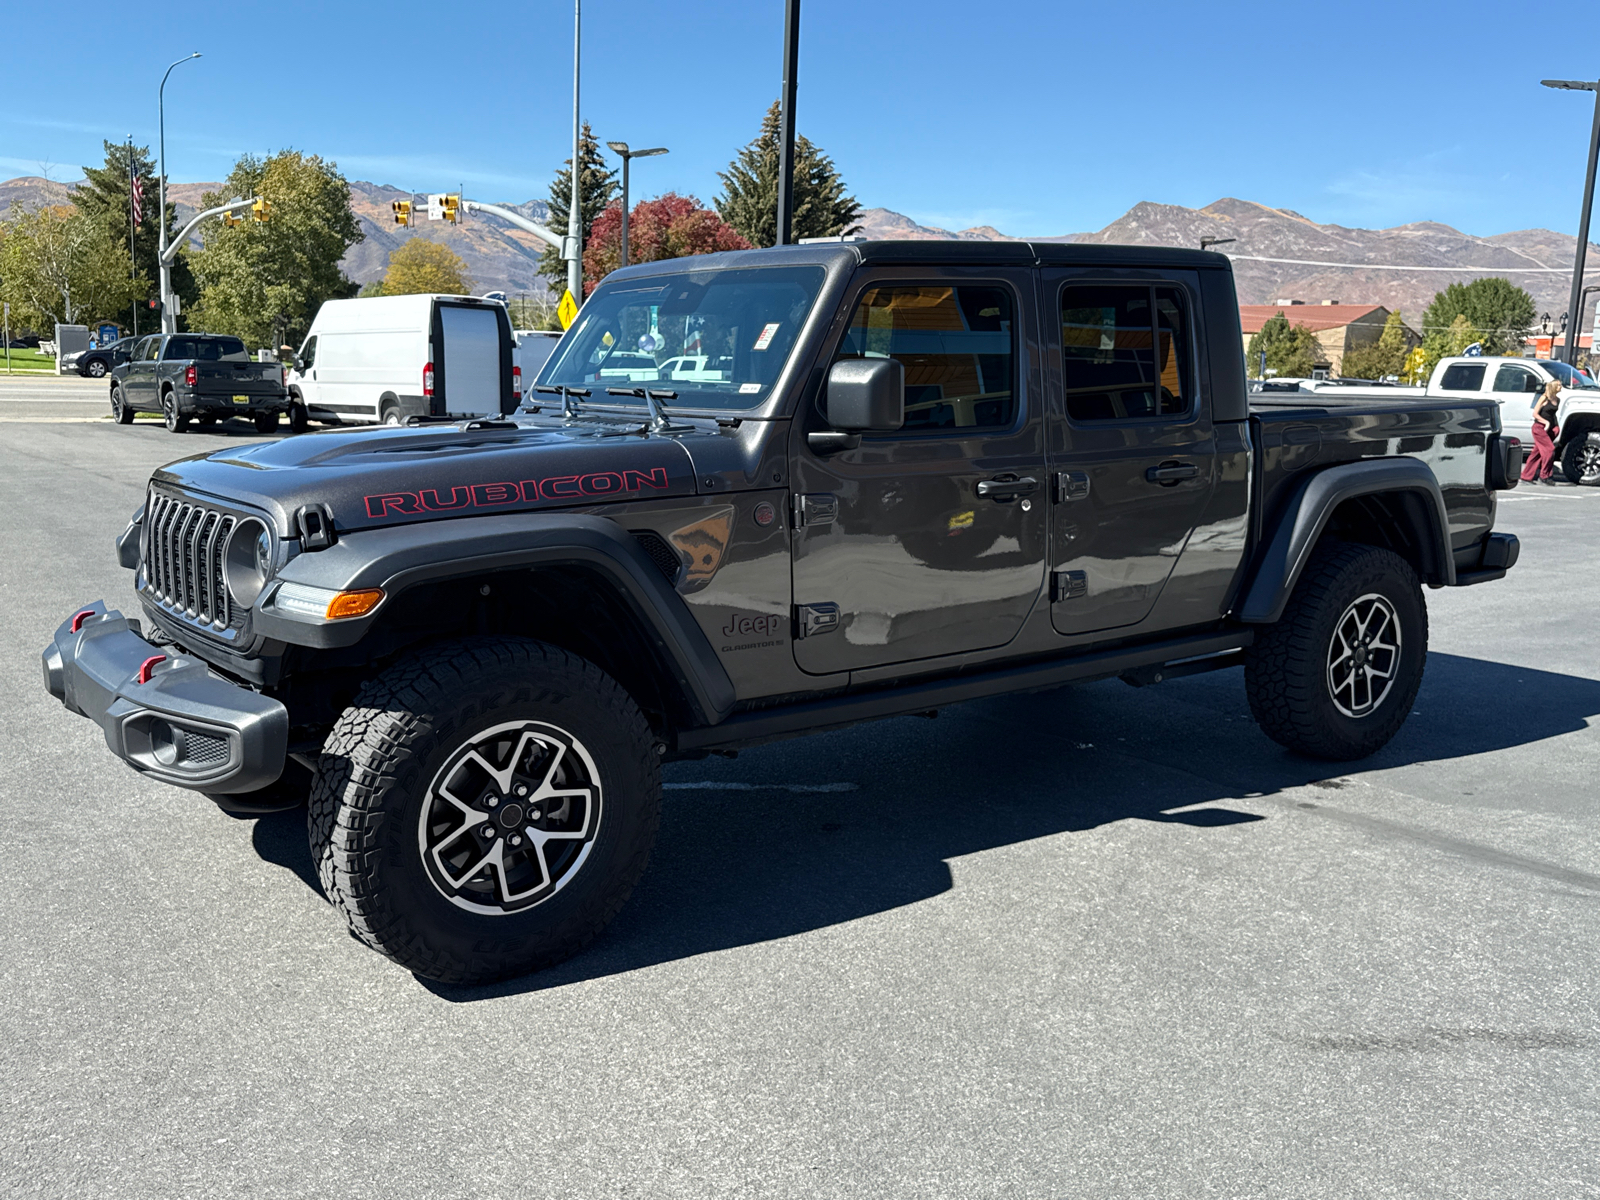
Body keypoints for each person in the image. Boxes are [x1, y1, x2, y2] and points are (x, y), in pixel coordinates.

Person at [1520, 379, 1562, 484]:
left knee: (1537, 453)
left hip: (1550, 429)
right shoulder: (1544, 398)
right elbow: (1535, 414)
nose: (1561, 387)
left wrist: (1555, 426)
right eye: (1558, 385)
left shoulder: (1557, 399)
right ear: (1553, 387)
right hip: (1539, 428)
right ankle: (1544, 476)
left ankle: (1526, 476)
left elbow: (1552, 414)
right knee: (1549, 450)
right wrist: (1545, 423)